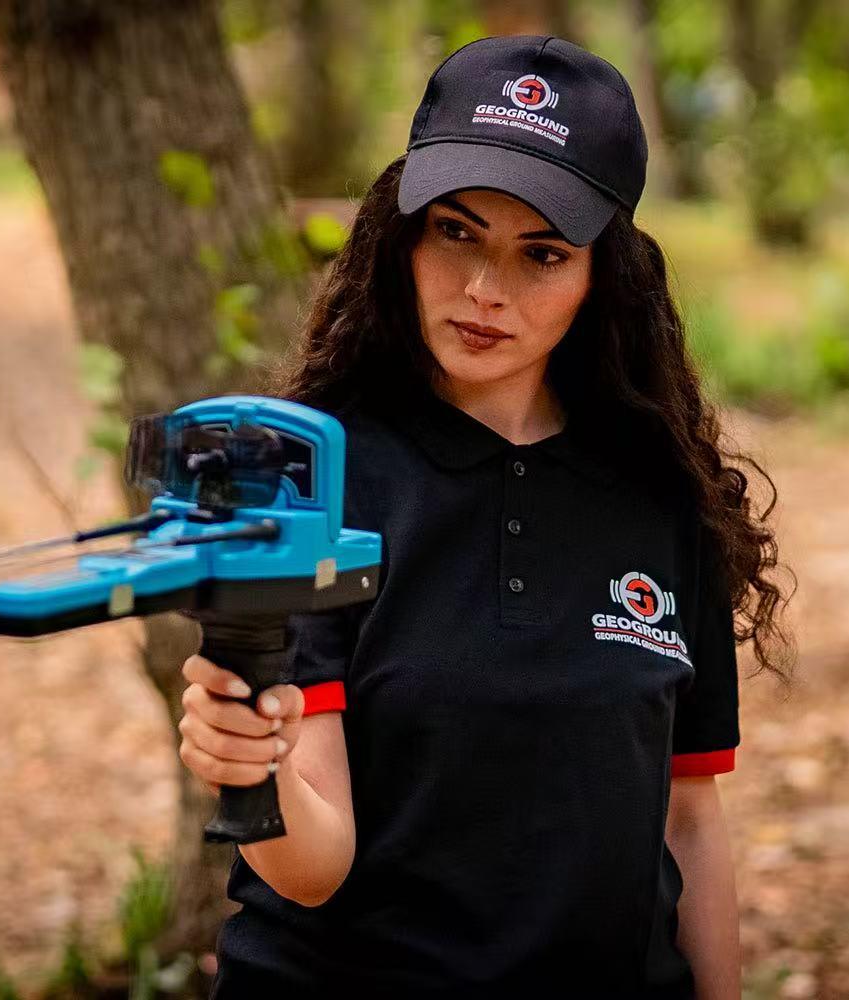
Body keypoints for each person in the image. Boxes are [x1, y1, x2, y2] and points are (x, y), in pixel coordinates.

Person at [177, 34, 793, 1000]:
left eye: (541, 254)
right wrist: (249, 765)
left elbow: (689, 820)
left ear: (604, 277)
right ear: (400, 236)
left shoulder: (666, 493)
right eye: (456, 232)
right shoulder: (311, 480)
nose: (483, 291)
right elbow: (314, 865)